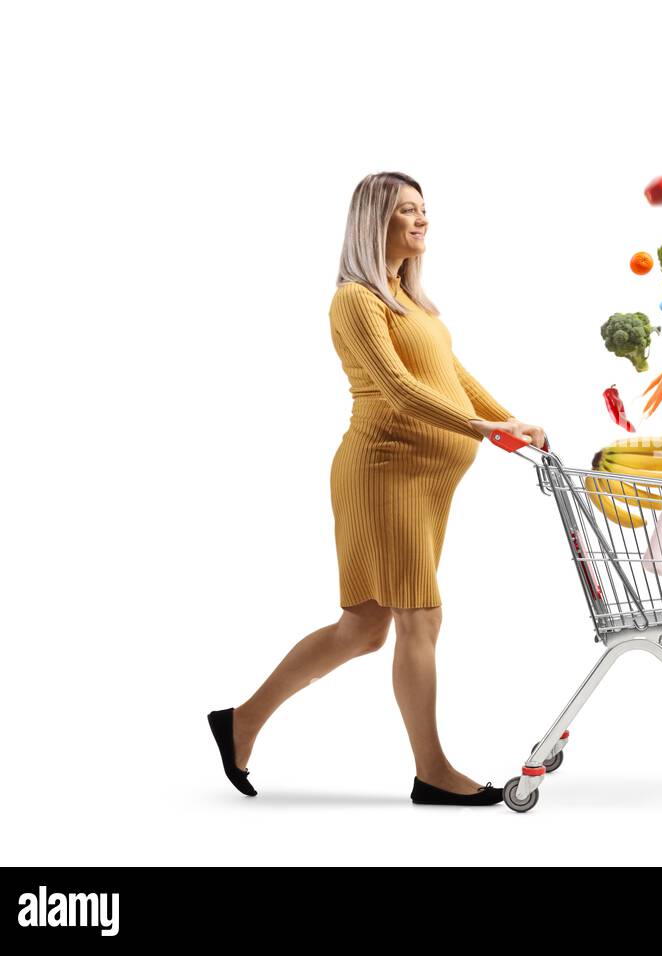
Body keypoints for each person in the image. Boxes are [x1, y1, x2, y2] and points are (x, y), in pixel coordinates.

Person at [208, 171, 546, 806]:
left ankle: (241, 722)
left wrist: (510, 421)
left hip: (423, 480)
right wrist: (481, 427)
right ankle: (434, 773)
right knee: (422, 617)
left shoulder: (407, 299)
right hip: (383, 473)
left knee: (363, 630)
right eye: (406, 211)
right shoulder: (356, 300)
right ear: (373, 222)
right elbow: (396, 389)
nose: (421, 221)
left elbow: (449, 374)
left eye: (424, 210)